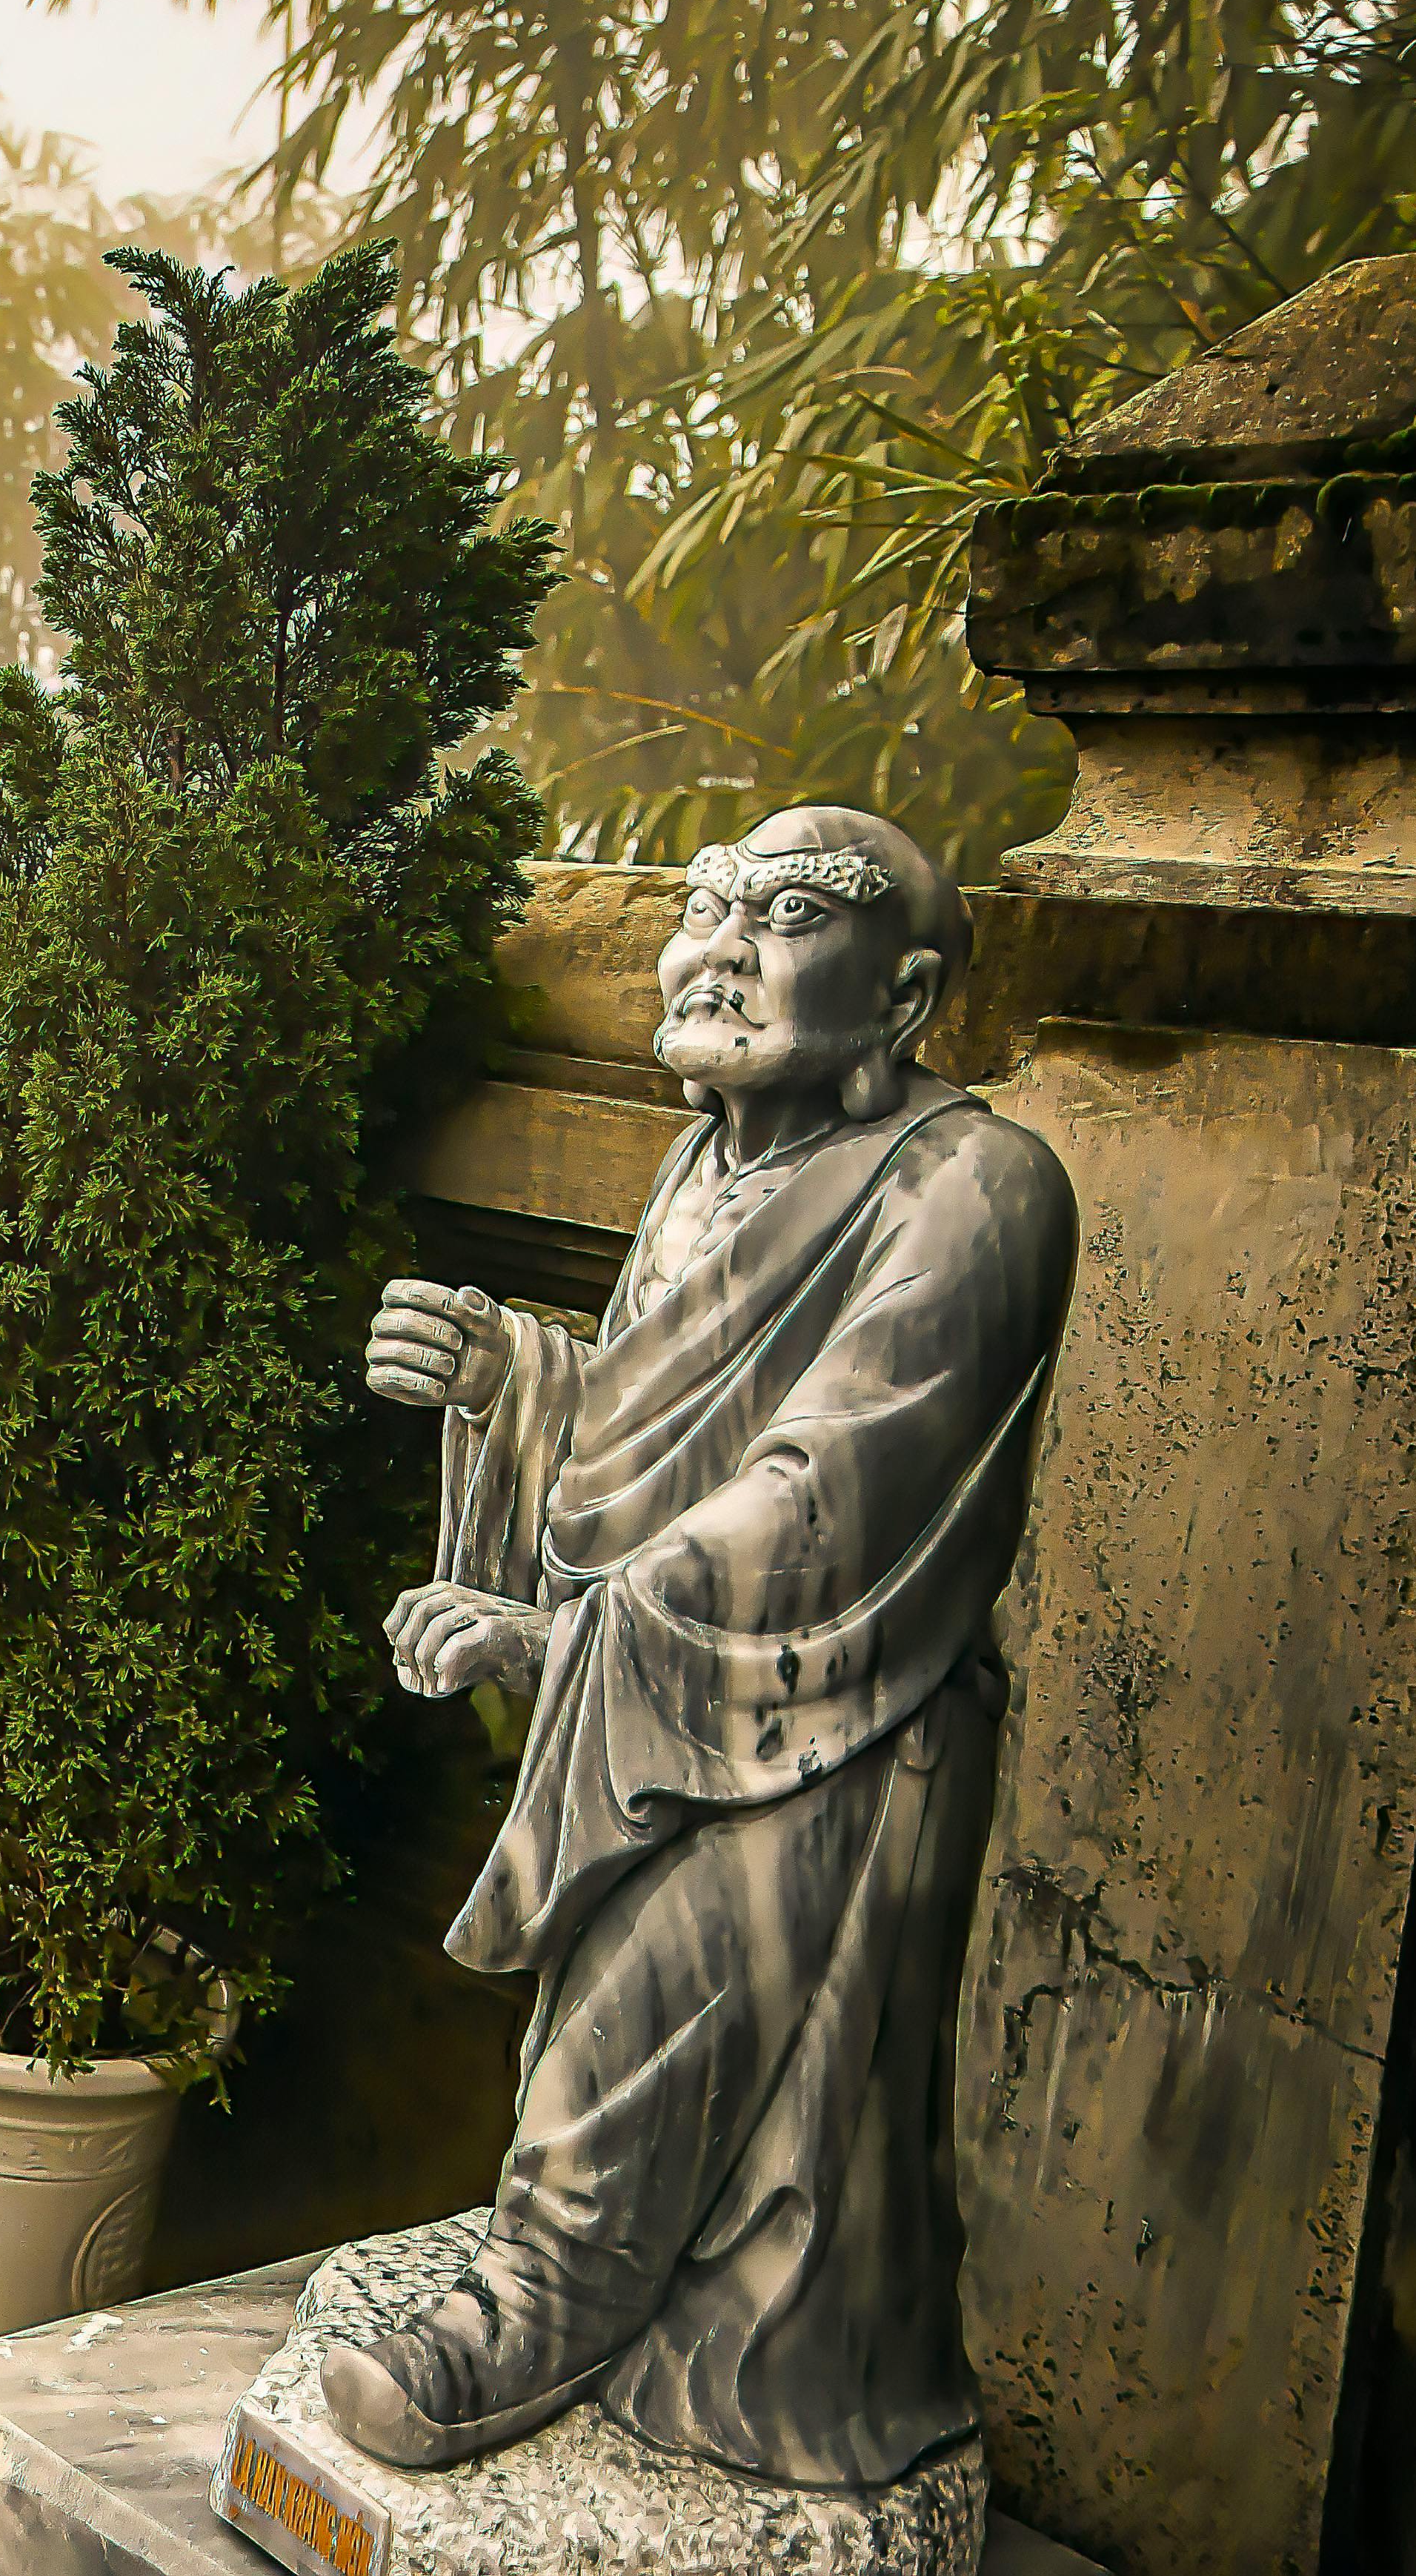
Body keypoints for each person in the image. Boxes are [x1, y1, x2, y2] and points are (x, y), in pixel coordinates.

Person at [334, 806, 1075, 2489]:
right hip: (681, 1678)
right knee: (614, 2001)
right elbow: (659, 1434)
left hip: (829, 1717)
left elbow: (825, 1499)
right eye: (706, 906)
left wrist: (562, 1634)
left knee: (674, 1993)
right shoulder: (704, 1164)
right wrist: (509, 1378)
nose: (721, 949)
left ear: (902, 1001)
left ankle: (543, 2295)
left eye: (790, 915)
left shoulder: (978, 1187)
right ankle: (570, 2280)